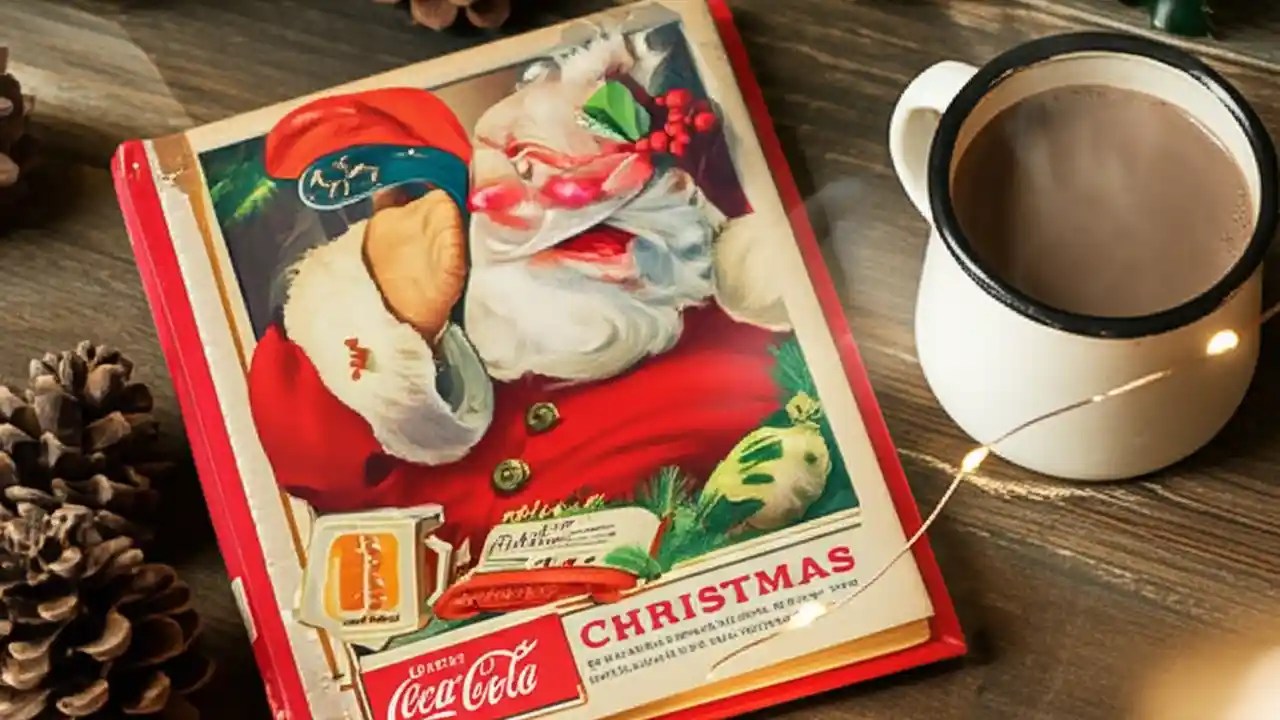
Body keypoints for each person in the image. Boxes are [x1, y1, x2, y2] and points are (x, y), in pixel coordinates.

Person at [247, 31, 790, 564]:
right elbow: (306, 464)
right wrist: (388, 319)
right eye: (524, 168)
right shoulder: (450, 348)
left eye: (623, 205)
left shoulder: (736, 358)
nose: (569, 218)